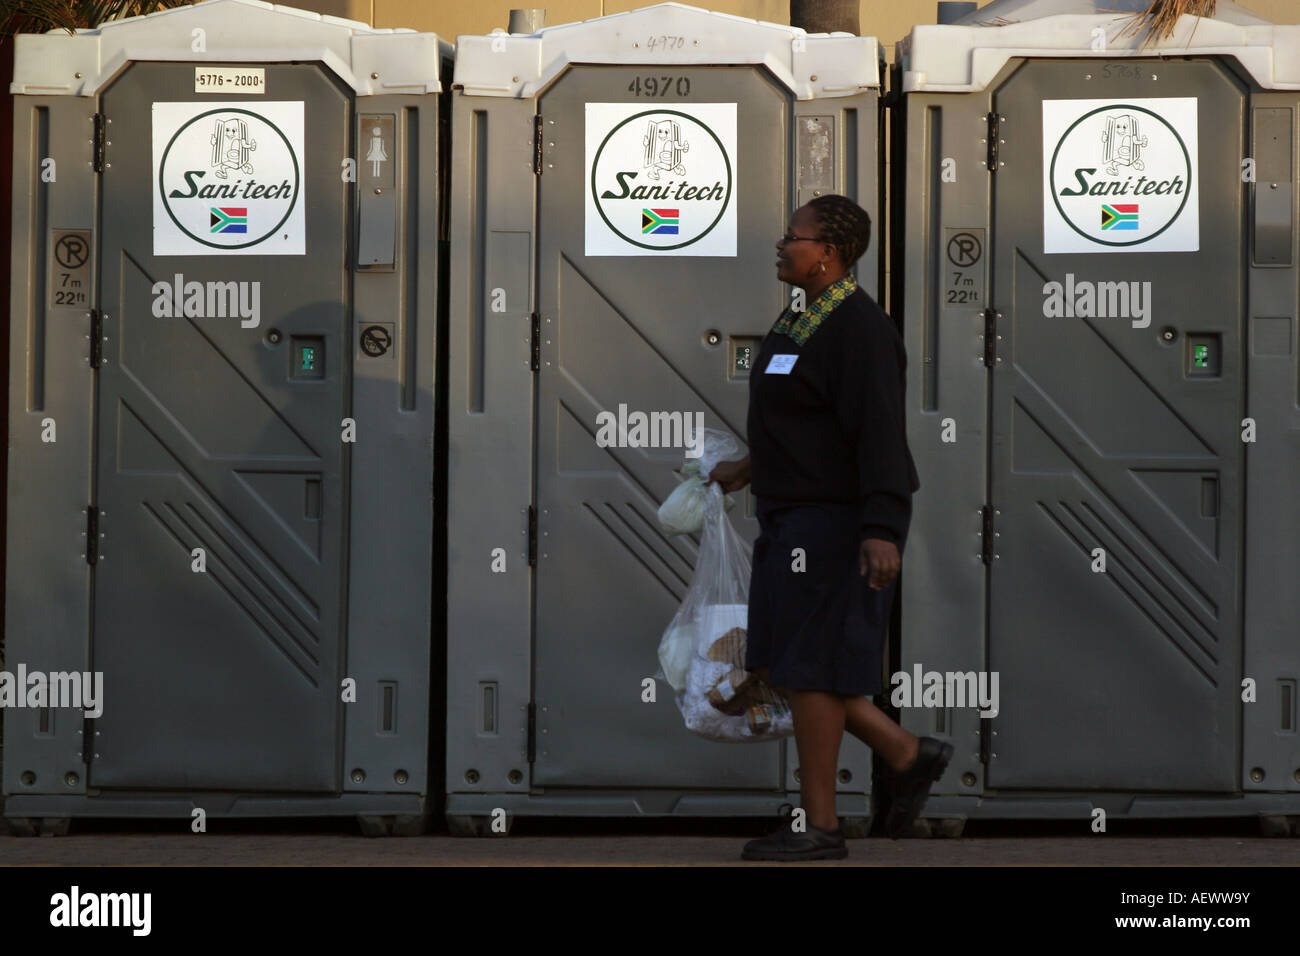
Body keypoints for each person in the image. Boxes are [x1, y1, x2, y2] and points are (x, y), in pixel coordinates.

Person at [709, 194, 952, 861]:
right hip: (790, 514)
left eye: (794, 236)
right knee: (790, 664)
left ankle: (822, 826)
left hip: (835, 522)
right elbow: (804, 417)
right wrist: (749, 467)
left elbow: (877, 435)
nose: (782, 245)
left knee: (810, 670)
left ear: (829, 255)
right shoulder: (801, 317)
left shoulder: (861, 330)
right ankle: (907, 753)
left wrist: (881, 527)